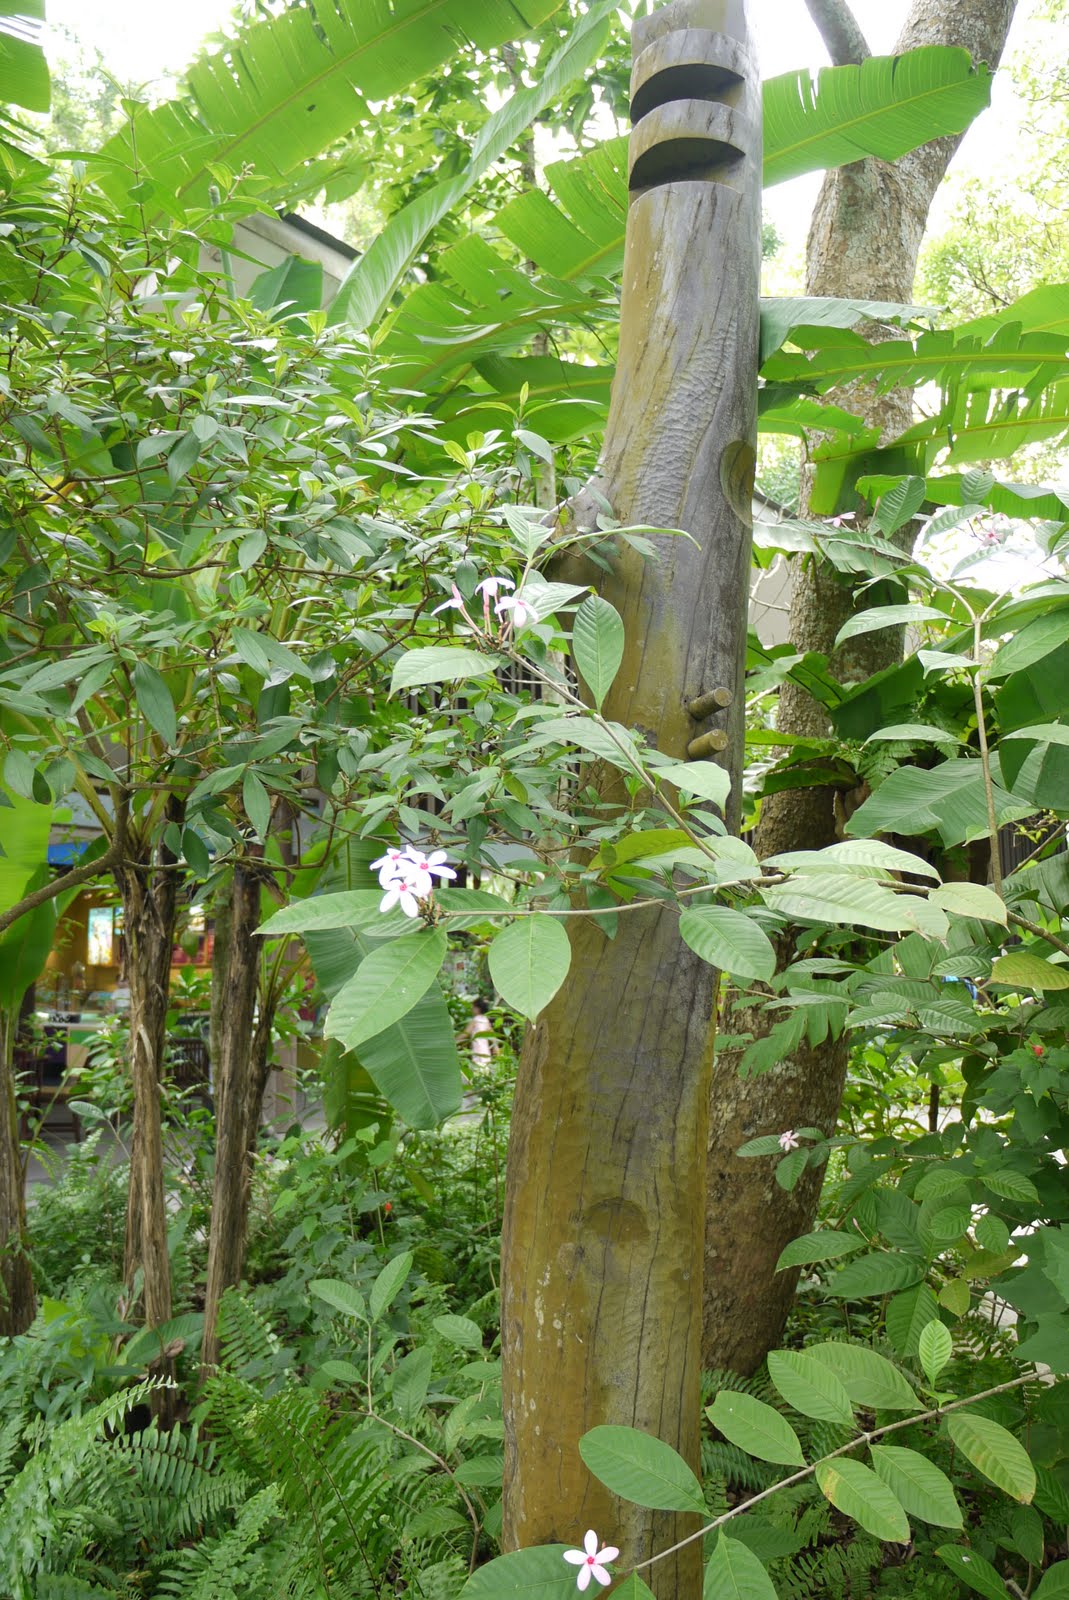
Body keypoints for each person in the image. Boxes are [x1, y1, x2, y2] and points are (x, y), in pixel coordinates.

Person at [462, 998, 499, 1073]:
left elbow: (465, 1034)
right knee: (484, 1072)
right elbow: (492, 1035)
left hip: (477, 1051)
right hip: (485, 1053)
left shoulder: (475, 1020)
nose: (471, 1009)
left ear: (477, 1009)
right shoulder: (485, 1020)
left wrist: (453, 1040)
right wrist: (496, 1046)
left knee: (477, 1072)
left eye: (473, 1007)